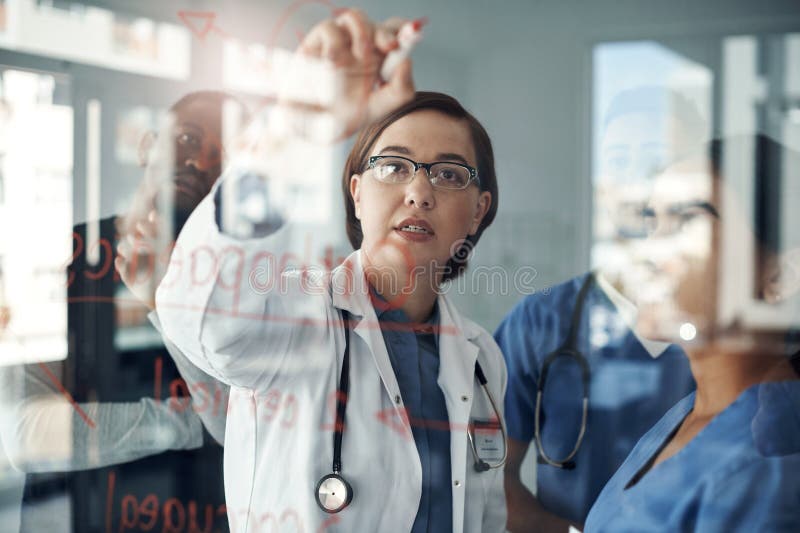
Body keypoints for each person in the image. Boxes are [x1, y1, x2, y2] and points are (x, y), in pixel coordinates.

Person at [154, 9, 507, 533]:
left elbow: (486, 516)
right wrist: (297, 128)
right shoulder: (287, 321)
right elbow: (197, 311)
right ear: (357, 192)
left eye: (449, 174)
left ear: (478, 210)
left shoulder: (483, 360)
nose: (419, 191)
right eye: (393, 166)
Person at [0, 90, 240, 532]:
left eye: (222, 157)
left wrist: (162, 307)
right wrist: (192, 423)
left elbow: (236, 425)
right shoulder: (64, 254)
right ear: (148, 145)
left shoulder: (238, 278)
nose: (200, 163)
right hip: (74, 515)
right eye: (187, 138)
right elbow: (24, 432)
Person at [498, 86, 701, 531]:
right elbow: (486, 478)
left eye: (657, 159)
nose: (634, 181)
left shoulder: (728, 323)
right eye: (617, 161)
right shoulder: (541, 323)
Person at [584, 134, 800, 531]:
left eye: (685, 220)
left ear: (781, 275)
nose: (647, 252)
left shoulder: (770, 455)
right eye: (650, 222)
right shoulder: (688, 415)